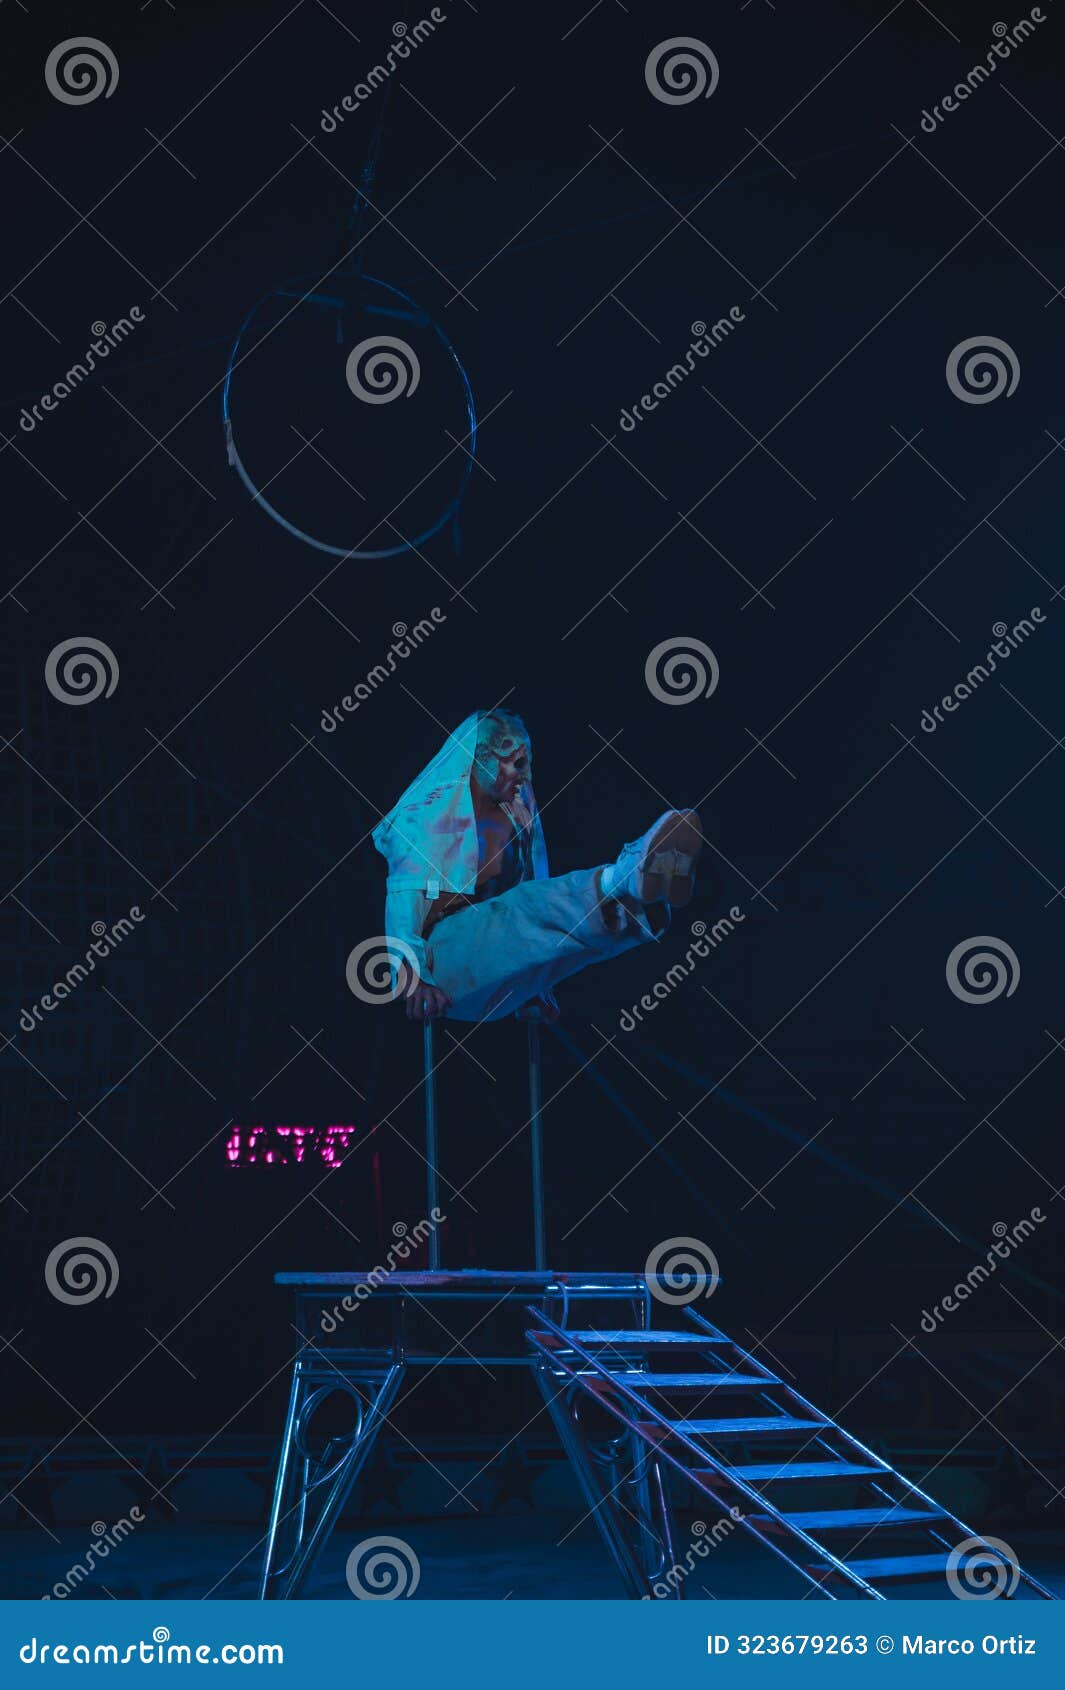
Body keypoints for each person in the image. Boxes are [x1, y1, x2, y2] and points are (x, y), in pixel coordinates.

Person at [371, 709, 703, 1023]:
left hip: (494, 968)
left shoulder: (517, 814)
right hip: (441, 965)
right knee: (526, 903)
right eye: (517, 763)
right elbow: (402, 904)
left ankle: (638, 907)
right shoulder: (426, 818)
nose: (527, 775)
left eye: (528, 763)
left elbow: (531, 911)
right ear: (482, 760)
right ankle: (622, 875)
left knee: (586, 940)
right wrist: (411, 978)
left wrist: (540, 988)